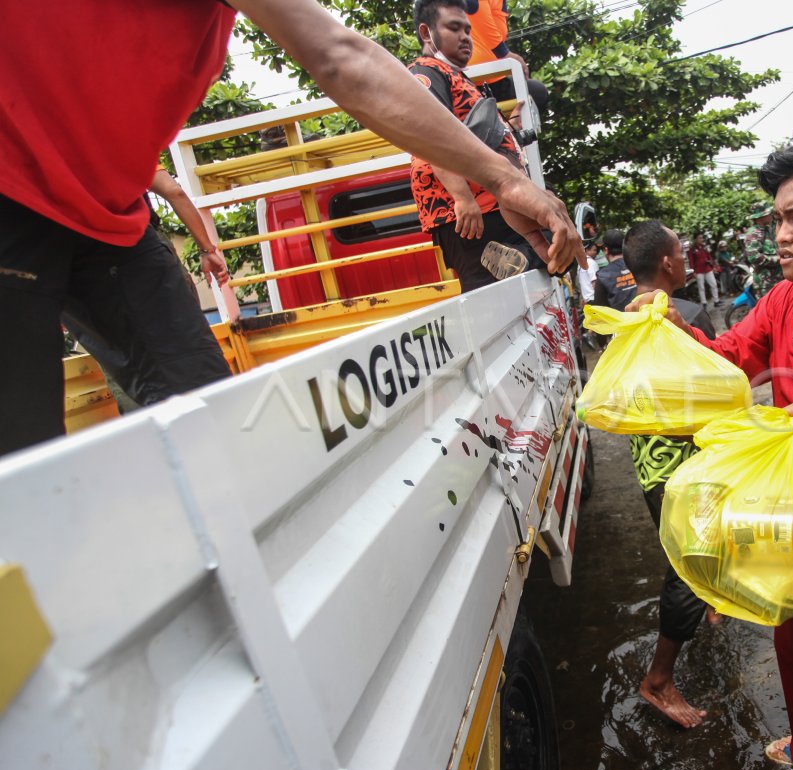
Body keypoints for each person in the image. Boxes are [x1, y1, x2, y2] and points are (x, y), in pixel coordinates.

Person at [0, 0, 583, 457]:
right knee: (22, 462)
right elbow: (342, 60)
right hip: (13, 195)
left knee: (206, 411)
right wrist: (497, 183)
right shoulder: (429, 73)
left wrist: (504, 180)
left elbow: (339, 53)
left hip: (110, 215)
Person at [627, 133, 793, 756]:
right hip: (787, 521)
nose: (782, 235)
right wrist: (673, 329)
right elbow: (728, 364)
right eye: (777, 219)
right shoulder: (782, 299)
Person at [620, 220, 718, 729]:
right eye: (680, 252)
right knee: (690, 566)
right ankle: (658, 681)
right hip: (691, 467)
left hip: (650, 463)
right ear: (667, 263)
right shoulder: (692, 314)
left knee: (686, 552)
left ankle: (712, 602)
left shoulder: (622, 316)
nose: (685, 260)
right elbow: (723, 384)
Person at [62, 166, 234, 413]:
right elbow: (174, 191)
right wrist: (207, 249)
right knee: (190, 349)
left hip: (80, 272)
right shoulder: (117, 144)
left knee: (126, 367)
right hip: (143, 253)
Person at [410, 0, 546, 292]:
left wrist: (511, 130)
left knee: (549, 258)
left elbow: (477, 132)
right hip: (469, 210)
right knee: (490, 295)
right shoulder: (427, 73)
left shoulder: (459, 76)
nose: (465, 37)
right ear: (426, 32)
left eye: (468, 31)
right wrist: (462, 197)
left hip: (492, 202)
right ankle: (507, 260)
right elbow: (433, 135)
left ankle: (518, 260)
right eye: (454, 28)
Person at [464, 0, 550, 118]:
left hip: (493, 78)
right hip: (474, 79)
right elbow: (476, 11)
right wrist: (504, 53)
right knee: (537, 93)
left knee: (537, 94)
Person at [743, 200, 783, 296]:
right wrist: (777, 259)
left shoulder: (768, 230)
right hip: (765, 284)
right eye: (768, 213)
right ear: (761, 216)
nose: (770, 215)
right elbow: (754, 257)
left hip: (777, 280)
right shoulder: (753, 233)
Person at [593, 229, 637, 310]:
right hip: (647, 319)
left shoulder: (603, 276)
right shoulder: (639, 265)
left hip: (621, 321)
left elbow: (600, 310)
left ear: (606, 250)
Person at [688, 232, 719, 309]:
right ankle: (704, 303)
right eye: (700, 238)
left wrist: (713, 265)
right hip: (698, 270)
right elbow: (691, 261)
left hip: (707, 268)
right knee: (701, 287)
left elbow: (709, 257)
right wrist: (693, 271)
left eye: (702, 238)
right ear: (695, 239)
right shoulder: (692, 249)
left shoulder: (704, 247)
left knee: (713, 284)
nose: (701, 239)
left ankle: (716, 301)